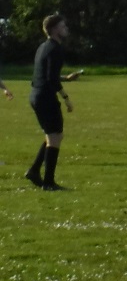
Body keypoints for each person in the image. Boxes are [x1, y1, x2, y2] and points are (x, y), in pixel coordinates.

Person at [25, 14, 81, 190]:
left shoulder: (43, 47)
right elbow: (51, 79)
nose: (66, 29)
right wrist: (66, 98)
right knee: (54, 136)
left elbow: (46, 75)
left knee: (55, 135)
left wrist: (66, 77)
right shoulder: (56, 49)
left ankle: (34, 171)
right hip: (45, 98)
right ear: (55, 29)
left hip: (37, 95)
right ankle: (48, 183)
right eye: (63, 26)